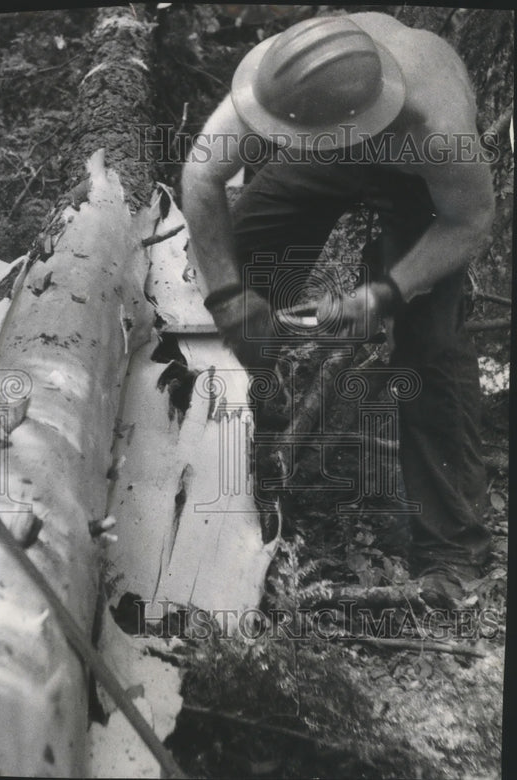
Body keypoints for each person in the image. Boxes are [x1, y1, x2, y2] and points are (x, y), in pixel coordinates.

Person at [181, 12, 494, 607]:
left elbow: (470, 220)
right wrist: (229, 296)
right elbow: (201, 179)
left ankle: (453, 552)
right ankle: (239, 456)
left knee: (429, 346)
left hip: (415, 183)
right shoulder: (280, 88)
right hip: (327, 136)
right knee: (241, 255)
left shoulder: (436, 129)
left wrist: (386, 292)